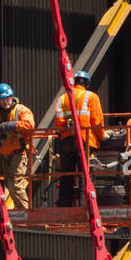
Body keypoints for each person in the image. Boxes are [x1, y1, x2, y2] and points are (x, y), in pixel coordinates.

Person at [52, 70, 103, 208]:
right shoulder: (91, 97)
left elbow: (58, 123)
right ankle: (86, 208)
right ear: (86, 83)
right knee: (85, 176)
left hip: (66, 142)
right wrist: (101, 137)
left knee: (66, 176)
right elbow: (97, 122)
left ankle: (64, 208)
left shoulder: (63, 98)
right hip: (85, 140)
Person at [0, 82, 35, 211]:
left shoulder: (21, 110)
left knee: (15, 185)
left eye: (7, 98)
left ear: (12, 97)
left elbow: (29, 124)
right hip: (5, 155)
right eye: (2, 100)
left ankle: (26, 212)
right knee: (9, 186)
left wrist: (11, 125)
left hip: (18, 152)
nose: (6, 102)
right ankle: (22, 210)